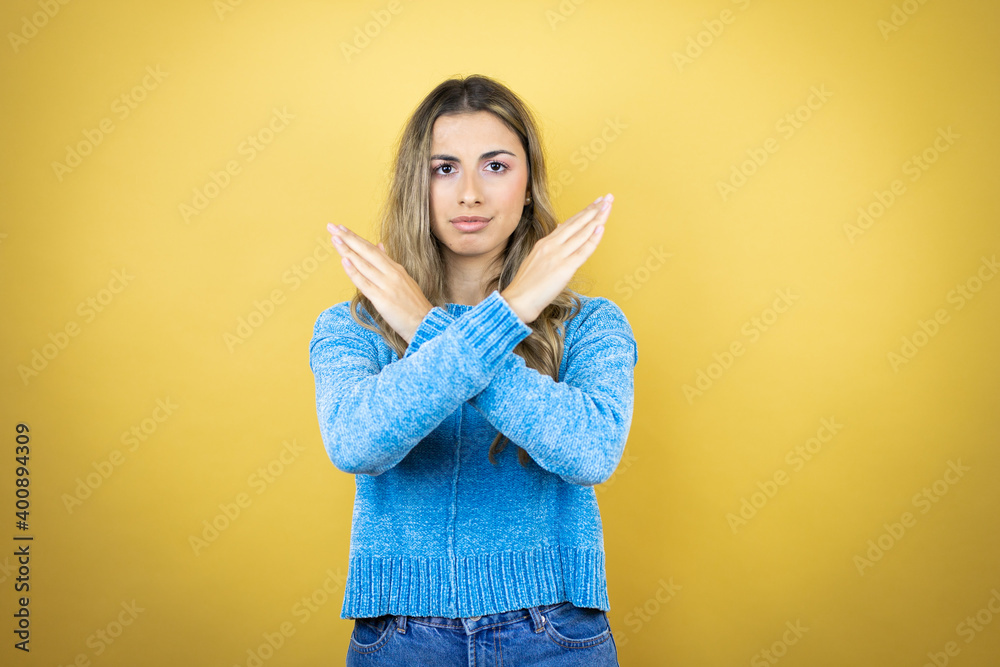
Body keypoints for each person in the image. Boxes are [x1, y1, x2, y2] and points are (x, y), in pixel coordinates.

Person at [308, 74, 637, 666]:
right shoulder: (352, 325)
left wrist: (431, 327)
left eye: (495, 166)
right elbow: (356, 443)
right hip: (400, 638)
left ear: (529, 183)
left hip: (555, 631)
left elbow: (590, 452)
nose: (469, 196)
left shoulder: (592, 324)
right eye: (443, 168)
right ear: (416, 184)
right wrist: (504, 317)